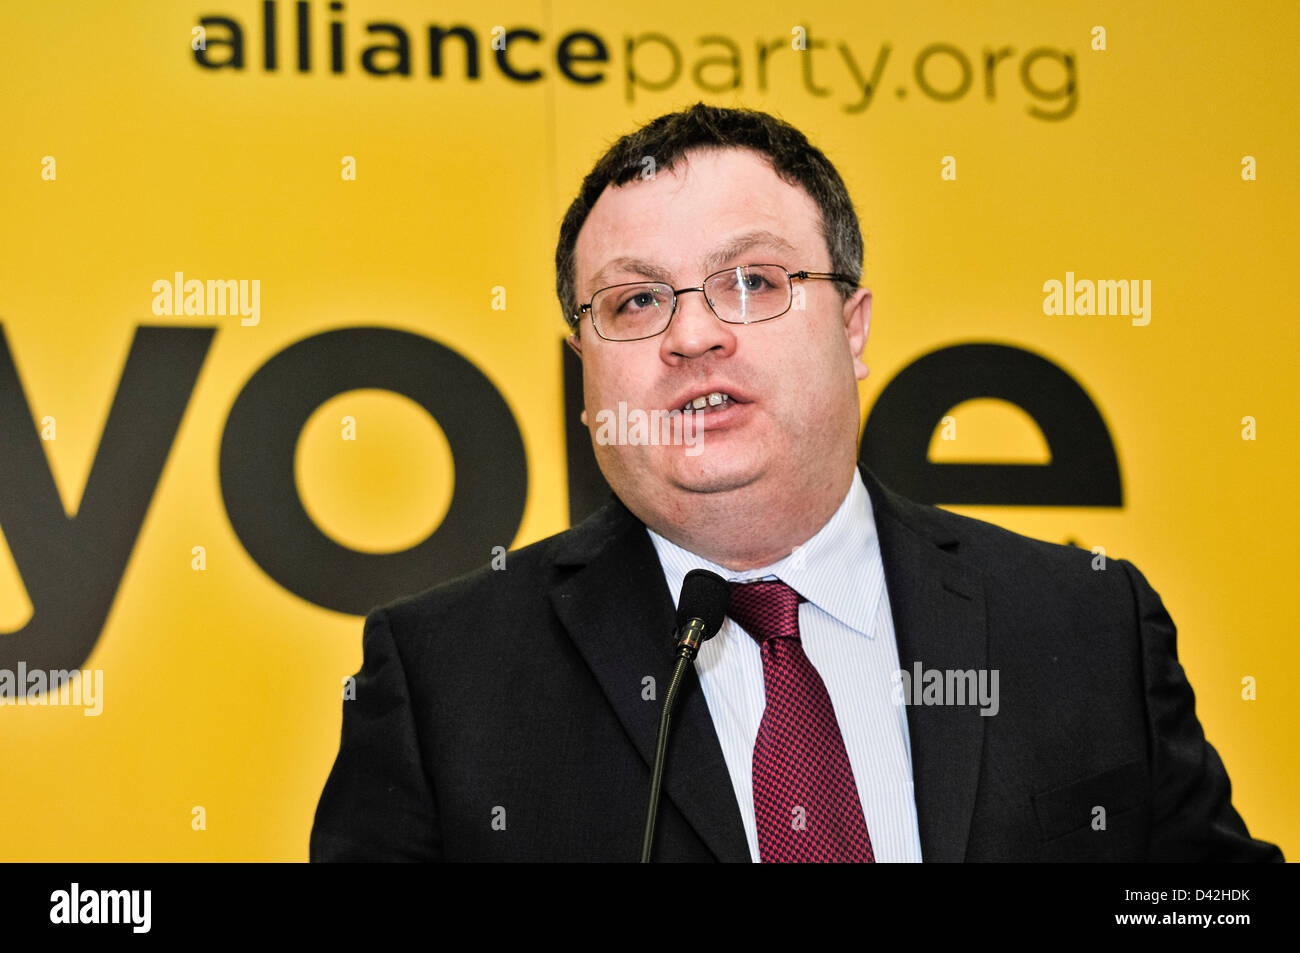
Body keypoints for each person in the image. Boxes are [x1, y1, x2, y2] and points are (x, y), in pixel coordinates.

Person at [310, 103, 1282, 862]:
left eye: (752, 281)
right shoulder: (445, 678)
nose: (692, 335)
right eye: (635, 300)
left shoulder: (1080, 624)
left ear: (852, 324)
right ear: (583, 364)